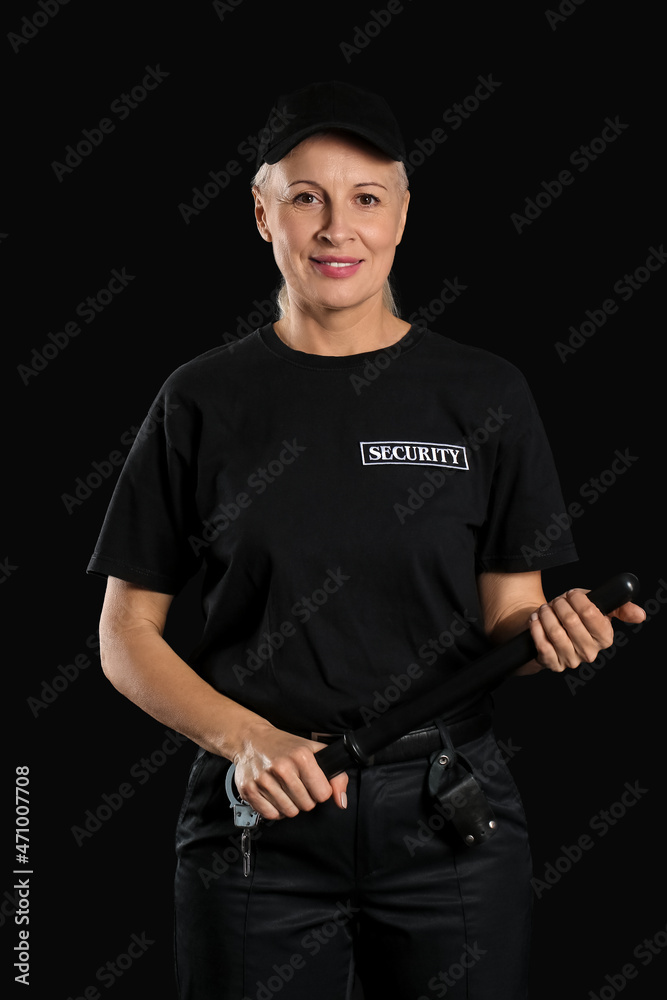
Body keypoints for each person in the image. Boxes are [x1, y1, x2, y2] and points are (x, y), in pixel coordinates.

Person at [87, 80, 645, 1000]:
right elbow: (123, 636)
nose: (335, 227)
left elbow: (511, 623)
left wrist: (554, 639)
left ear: (402, 214)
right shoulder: (201, 399)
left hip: (447, 819)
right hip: (257, 825)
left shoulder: (485, 395)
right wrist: (246, 740)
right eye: (306, 197)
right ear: (262, 214)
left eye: (365, 199)